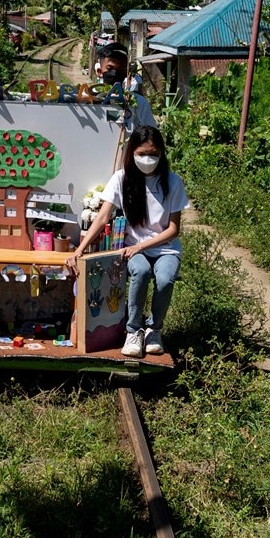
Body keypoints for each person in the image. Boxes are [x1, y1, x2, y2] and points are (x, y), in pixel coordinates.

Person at [66, 126, 188, 358]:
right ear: (131, 152)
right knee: (140, 273)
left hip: (165, 249)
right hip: (134, 249)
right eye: (142, 153)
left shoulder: (172, 182)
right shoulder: (121, 179)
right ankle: (133, 330)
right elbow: (102, 217)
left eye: (153, 153)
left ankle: (154, 328)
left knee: (165, 279)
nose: (147, 159)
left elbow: (173, 229)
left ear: (162, 153)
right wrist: (79, 250)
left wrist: (141, 246)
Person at [96, 42, 156, 128]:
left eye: (121, 69)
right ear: (99, 71)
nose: (115, 73)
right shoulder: (87, 100)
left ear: (126, 72)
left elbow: (151, 136)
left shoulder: (139, 103)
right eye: (110, 68)